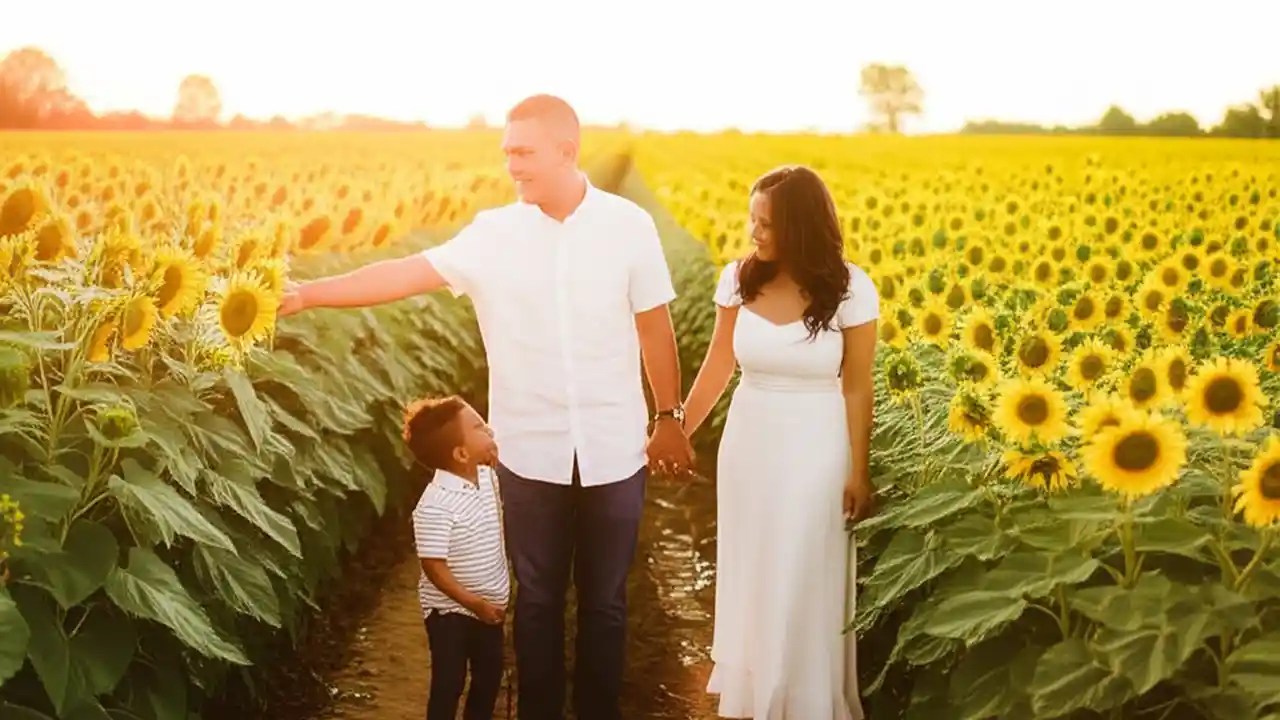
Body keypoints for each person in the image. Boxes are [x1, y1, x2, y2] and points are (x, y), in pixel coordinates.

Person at [277, 94, 694, 720]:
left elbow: (655, 329)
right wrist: (309, 295)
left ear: (566, 152)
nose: (511, 166)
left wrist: (667, 417)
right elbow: (403, 273)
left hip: (615, 446)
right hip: (529, 453)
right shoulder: (493, 236)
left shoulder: (627, 226)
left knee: (607, 602)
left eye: (522, 152)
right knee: (538, 600)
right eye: (506, 153)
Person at [680, 165, 879, 719]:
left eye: (765, 222)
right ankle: (758, 697)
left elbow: (858, 385)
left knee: (802, 565)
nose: (754, 232)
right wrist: (673, 432)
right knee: (756, 564)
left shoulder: (851, 288)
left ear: (800, 225)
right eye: (752, 219)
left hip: (819, 443)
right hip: (750, 442)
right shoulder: (738, 279)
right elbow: (719, 365)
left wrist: (858, 471)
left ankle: (807, 701)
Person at [403, 395, 508, 720]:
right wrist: (472, 603)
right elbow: (434, 568)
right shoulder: (435, 505)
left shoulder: (488, 479)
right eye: (479, 427)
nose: (489, 428)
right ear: (461, 453)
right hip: (450, 611)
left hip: (488, 607)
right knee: (449, 682)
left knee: (489, 678)